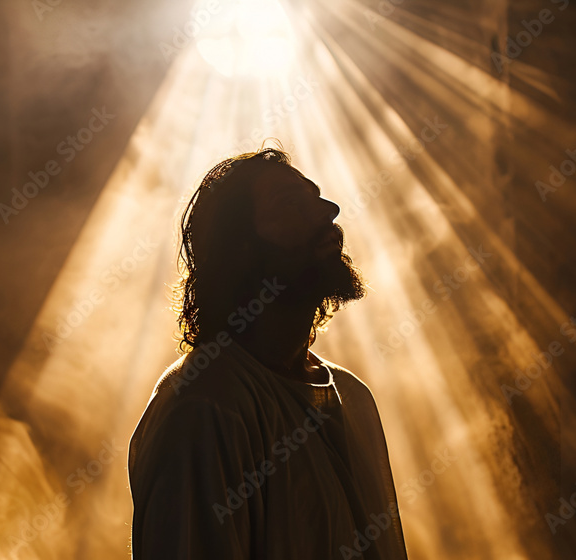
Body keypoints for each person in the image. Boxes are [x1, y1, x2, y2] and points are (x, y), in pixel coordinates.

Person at [128, 147, 408, 559]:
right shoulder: (205, 406)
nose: (328, 212)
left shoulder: (354, 398)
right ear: (238, 248)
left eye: (317, 197)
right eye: (292, 204)